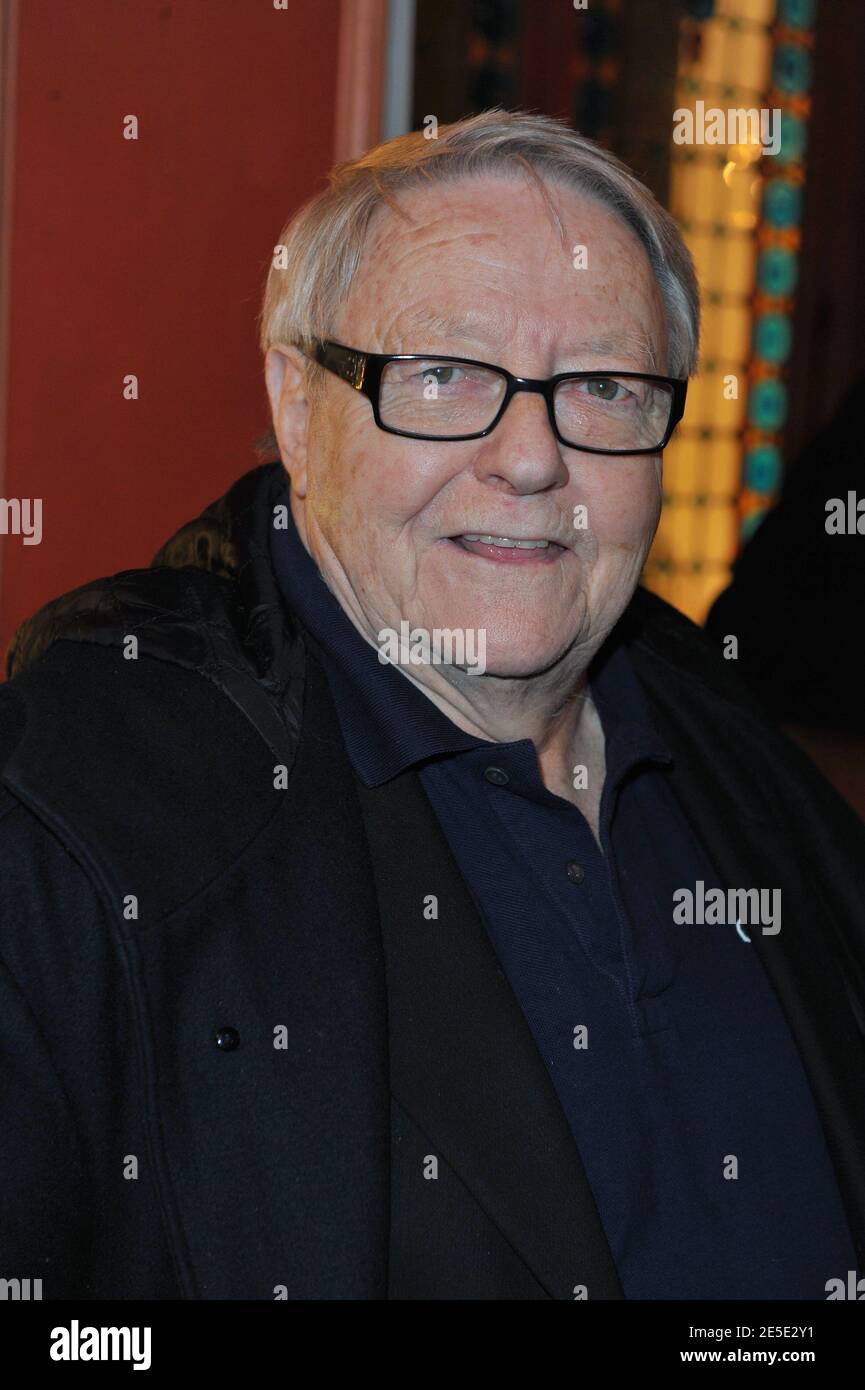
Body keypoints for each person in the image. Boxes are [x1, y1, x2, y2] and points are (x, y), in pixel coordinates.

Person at [2, 110, 864, 1301]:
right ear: (298, 407)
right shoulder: (82, 829)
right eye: (445, 375)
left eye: (603, 385)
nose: (527, 459)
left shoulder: (740, 754)